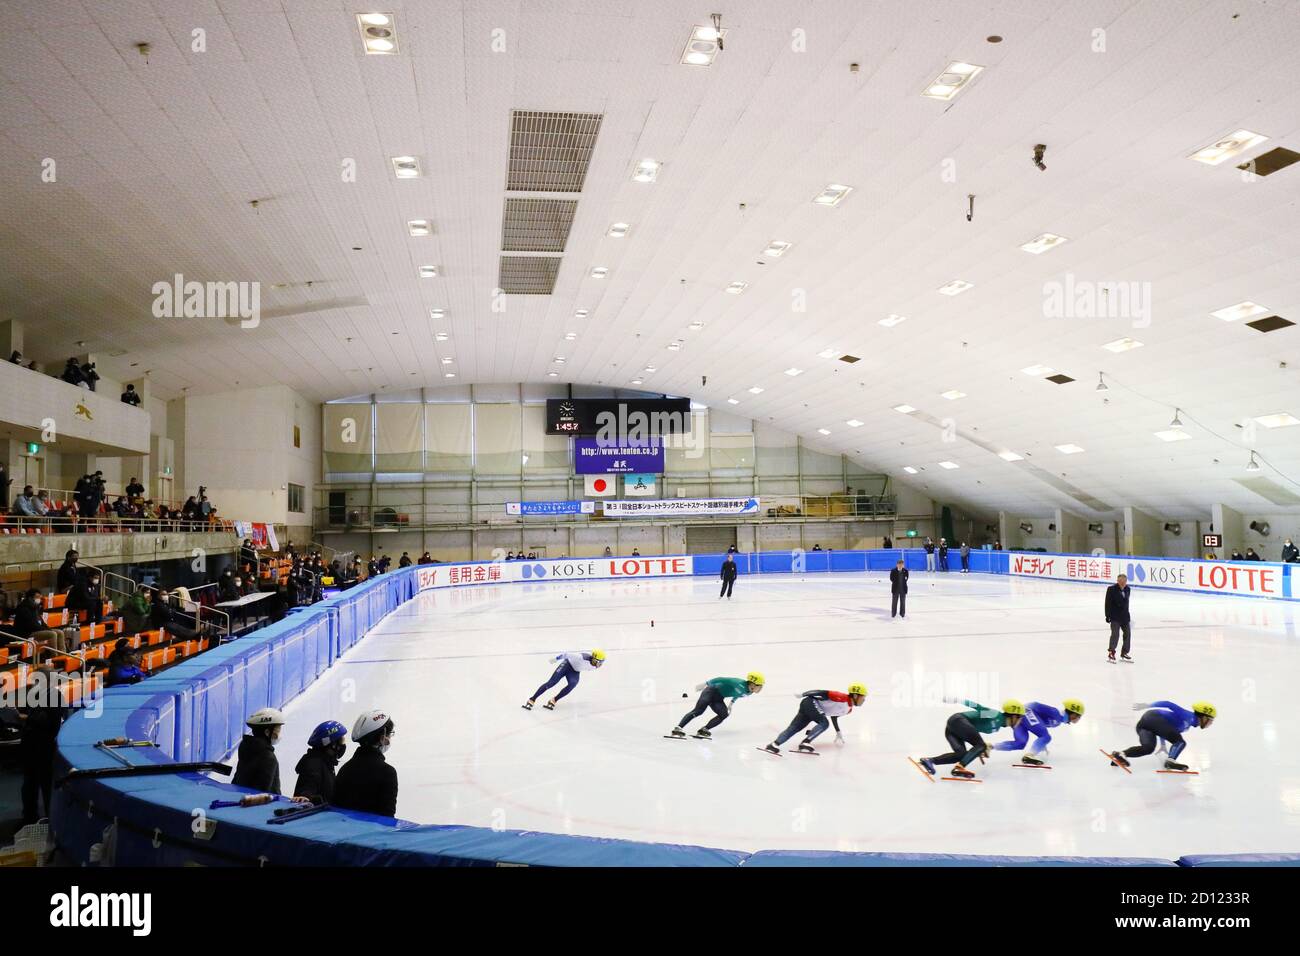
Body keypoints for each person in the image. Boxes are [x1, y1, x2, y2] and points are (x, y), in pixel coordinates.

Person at [915, 698, 1025, 779]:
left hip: (953, 729)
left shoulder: (997, 727)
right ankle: (959, 767)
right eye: (1020, 718)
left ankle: (930, 760)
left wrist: (978, 750)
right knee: (981, 746)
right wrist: (956, 699)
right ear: (1014, 716)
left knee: (962, 754)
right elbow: (977, 707)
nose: (1020, 722)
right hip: (958, 720)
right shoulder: (996, 715)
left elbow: (972, 732)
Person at [18, 666, 68, 823]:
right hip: (30, 745)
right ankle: (29, 817)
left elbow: (48, 721)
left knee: (46, 785)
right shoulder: (32, 694)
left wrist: (25, 718)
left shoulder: (56, 696)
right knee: (29, 785)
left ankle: (51, 820)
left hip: (45, 747)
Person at [1108, 701, 1215, 772]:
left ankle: (1120, 755)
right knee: (1180, 742)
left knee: (1148, 748)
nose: (1210, 723)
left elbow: (1163, 729)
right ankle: (1170, 762)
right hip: (1154, 717)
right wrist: (1148, 705)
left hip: (1145, 725)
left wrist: (1163, 744)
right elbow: (1169, 704)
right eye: (1210, 720)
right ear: (1203, 716)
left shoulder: (1187, 725)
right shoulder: (1188, 716)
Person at [763, 684, 867, 755]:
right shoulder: (842, 697)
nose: (864, 700)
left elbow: (834, 716)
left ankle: (774, 745)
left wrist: (838, 732)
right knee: (824, 723)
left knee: (795, 727)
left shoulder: (848, 710)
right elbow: (821, 692)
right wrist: (803, 694)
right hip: (810, 702)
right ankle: (805, 742)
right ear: (855, 695)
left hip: (811, 708)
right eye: (862, 697)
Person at [333, 709, 398, 817]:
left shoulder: (345, 769)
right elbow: (387, 817)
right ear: (383, 739)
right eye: (390, 734)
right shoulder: (387, 772)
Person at [231, 708, 308, 799]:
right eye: (278, 730)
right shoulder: (269, 758)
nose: (279, 734)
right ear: (267, 732)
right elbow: (263, 792)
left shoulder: (245, 746)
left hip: (239, 796)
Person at [669, 673, 764, 739]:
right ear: (753, 683)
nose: (761, 688)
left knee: (724, 714)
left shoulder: (750, 692)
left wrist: (732, 703)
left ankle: (704, 729)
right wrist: (706, 683)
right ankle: (678, 728)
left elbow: (738, 694)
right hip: (710, 691)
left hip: (718, 698)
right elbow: (720, 679)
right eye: (760, 686)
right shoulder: (737, 682)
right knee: (699, 710)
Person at [993, 699, 1084, 765]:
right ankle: (1029, 755)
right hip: (1025, 712)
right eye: (1077, 717)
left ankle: (989, 746)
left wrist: (1041, 745)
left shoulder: (1058, 722)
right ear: (1072, 713)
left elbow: (1040, 728)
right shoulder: (1057, 714)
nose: (1076, 720)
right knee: (1046, 737)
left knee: (1020, 743)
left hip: (1020, 717)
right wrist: (1021, 711)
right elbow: (1035, 705)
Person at [522, 649, 606, 711]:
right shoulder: (581, 657)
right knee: (551, 683)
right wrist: (556, 659)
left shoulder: (595, 665)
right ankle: (532, 699)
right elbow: (566, 654)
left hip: (574, 671)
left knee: (572, 685)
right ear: (593, 658)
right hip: (567, 665)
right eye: (597, 662)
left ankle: (554, 700)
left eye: (601, 663)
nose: (599, 665)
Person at [293, 720, 349, 804]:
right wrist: (307, 797)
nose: (343, 745)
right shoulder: (314, 765)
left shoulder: (325, 760)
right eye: (341, 741)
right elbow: (306, 792)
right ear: (332, 744)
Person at [1105, 573, 1133, 663]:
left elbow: (1126, 604)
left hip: (1125, 617)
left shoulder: (1128, 589)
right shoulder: (1111, 589)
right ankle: (1111, 652)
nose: (1122, 583)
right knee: (1115, 635)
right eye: (1120, 581)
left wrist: (1128, 616)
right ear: (1117, 581)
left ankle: (1124, 652)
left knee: (1128, 634)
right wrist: (1107, 615)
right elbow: (1107, 603)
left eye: (1124, 581)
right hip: (1115, 617)